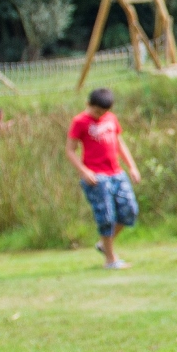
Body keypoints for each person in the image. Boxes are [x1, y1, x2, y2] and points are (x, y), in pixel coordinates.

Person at [66, 88, 141, 269]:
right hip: (96, 177)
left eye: (104, 112)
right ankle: (110, 260)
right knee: (106, 217)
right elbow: (70, 150)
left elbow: (119, 143)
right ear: (88, 104)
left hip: (116, 173)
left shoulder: (111, 119)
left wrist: (132, 166)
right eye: (97, 111)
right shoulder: (80, 122)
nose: (100, 115)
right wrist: (84, 171)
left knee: (130, 210)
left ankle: (104, 244)